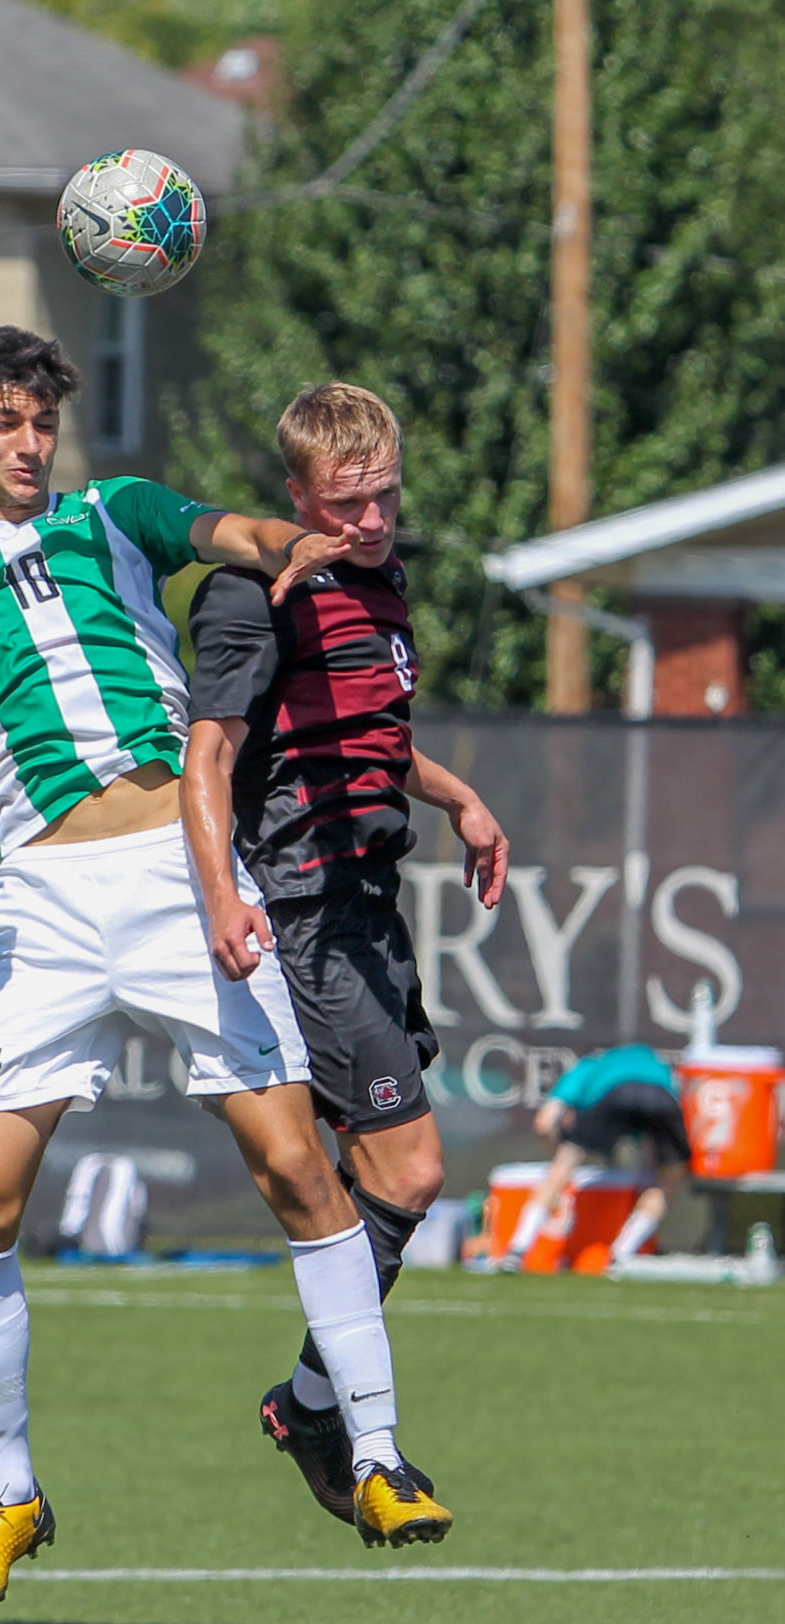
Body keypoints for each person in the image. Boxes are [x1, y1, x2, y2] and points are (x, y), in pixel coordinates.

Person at [0, 329, 453, 1622]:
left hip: (177, 879)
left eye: (41, 424)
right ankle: (6, 1489)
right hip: (43, 897)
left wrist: (293, 542)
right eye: (4, 424)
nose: (27, 446)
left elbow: (227, 529)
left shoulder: (112, 513)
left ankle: (373, 1452)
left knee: (297, 1166)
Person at [180, 381, 509, 1527]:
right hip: (303, 911)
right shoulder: (248, 596)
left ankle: (310, 1401)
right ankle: (330, 1413)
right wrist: (222, 893)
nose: (368, 521)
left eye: (381, 497)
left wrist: (460, 798)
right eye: (344, 502)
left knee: (383, 1183)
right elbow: (210, 756)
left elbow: (378, 737)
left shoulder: (382, 585)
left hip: (371, 907)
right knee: (408, 1175)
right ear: (294, 496)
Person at [494, 1043, 691, 1272]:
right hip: (662, 1099)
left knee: (563, 1164)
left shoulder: (590, 1065)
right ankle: (620, 1258)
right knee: (669, 1178)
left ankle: (518, 1250)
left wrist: (559, 1159)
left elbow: (544, 1123)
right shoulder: (659, 1065)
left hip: (614, 1094)